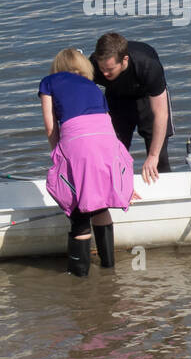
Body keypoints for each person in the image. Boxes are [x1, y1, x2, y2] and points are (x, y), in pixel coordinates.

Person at [39, 48, 135, 277]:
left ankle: (78, 278)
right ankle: (108, 269)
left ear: (58, 66)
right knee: (100, 203)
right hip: (106, 141)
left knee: (80, 212)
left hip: (79, 141)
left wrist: (57, 154)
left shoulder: (49, 82)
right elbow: (107, 123)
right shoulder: (94, 87)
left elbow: (51, 126)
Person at [90, 32, 174, 184]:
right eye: (102, 69)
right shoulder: (94, 65)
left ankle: (164, 193)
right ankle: (117, 190)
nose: (104, 73)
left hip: (147, 98)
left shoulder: (148, 65)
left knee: (159, 157)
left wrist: (153, 156)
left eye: (109, 69)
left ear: (124, 60)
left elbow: (161, 113)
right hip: (117, 98)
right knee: (112, 153)